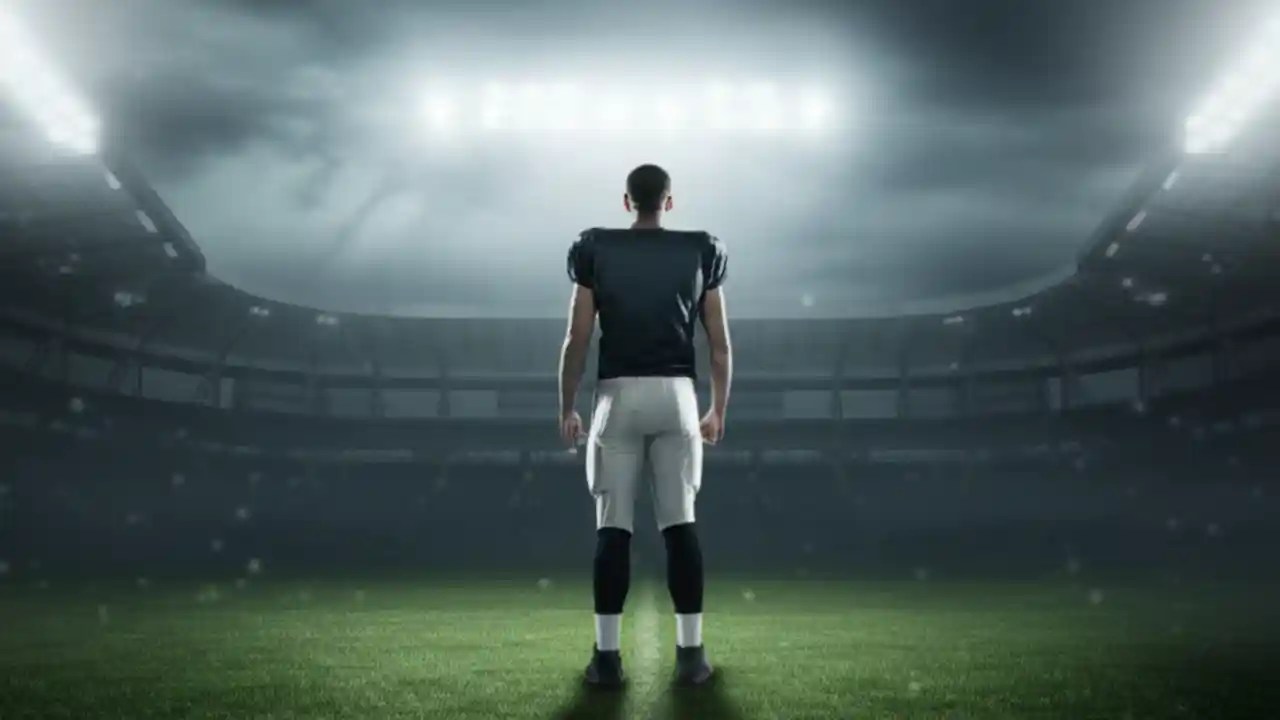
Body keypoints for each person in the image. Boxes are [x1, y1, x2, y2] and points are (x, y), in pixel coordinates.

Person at [557, 163, 732, 688]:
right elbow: (719, 344)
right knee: (680, 524)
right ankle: (691, 655)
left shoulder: (594, 248)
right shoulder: (701, 249)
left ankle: (607, 660)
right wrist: (718, 408)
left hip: (617, 396)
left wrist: (567, 407)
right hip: (677, 396)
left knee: (613, 526)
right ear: (669, 202)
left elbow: (577, 339)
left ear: (628, 201)